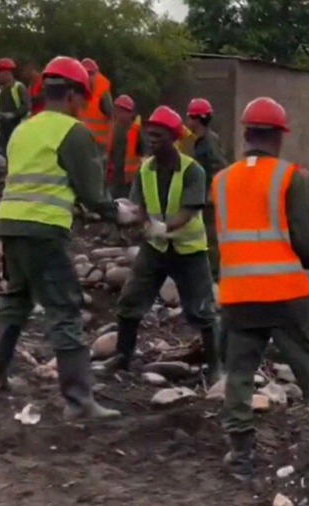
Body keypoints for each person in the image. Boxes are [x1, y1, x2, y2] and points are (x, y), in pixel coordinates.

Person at [0, 56, 139, 420]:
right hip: (44, 229)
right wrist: (120, 213)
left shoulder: (24, 128)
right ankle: (80, 401)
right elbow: (92, 193)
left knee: (14, 302)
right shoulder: (73, 132)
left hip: (11, 225)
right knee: (64, 310)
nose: (83, 106)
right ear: (70, 94)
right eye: (81, 98)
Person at [216, 96, 309, 481]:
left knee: (239, 374)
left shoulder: (221, 180)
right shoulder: (288, 177)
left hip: (237, 296)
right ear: (279, 137)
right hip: (286, 293)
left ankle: (243, 457)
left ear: (246, 134)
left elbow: (219, 243)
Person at [99, 105, 220, 385]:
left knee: (202, 310)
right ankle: (122, 356)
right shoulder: (145, 170)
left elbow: (189, 209)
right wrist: (127, 215)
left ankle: (215, 366)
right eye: (150, 135)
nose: (152, 140)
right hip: (155, 247)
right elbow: (139, 206)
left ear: (173, 138)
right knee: (130, 300)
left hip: (189, 250)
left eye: (158, 136)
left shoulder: (193, 171)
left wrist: (165, 227)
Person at [185, 97, 228, 281]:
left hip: (210, 197)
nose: (187, 122)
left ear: (196, 119)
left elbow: (219, 165)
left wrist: (212, 192)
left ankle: (214, 275)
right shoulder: (203, 140)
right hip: (204, 195)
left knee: (211, 237)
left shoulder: (208, 142)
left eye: (189, 118)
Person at [105, 94, 145, 199]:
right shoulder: (114, 129)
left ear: (130, 113)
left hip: (130, 181)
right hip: (115, 178)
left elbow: (144, 153)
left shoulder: (136, 131)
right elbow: (110, 152)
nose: (117, 114)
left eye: (121, 111)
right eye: (116, 110)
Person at [0, 58, 30, 150]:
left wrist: (12, 115)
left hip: (18, 128)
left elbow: (27, 106)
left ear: (7, 73)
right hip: (4, 130)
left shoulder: (18, 87)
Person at [78, 58, 112, 156]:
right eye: (85, 74)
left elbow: (111, 118)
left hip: (98, 146)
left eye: (91, 74)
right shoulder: (78, 91)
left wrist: (109, 145)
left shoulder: (102, 93)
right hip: (82, 142)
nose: (88, 77)